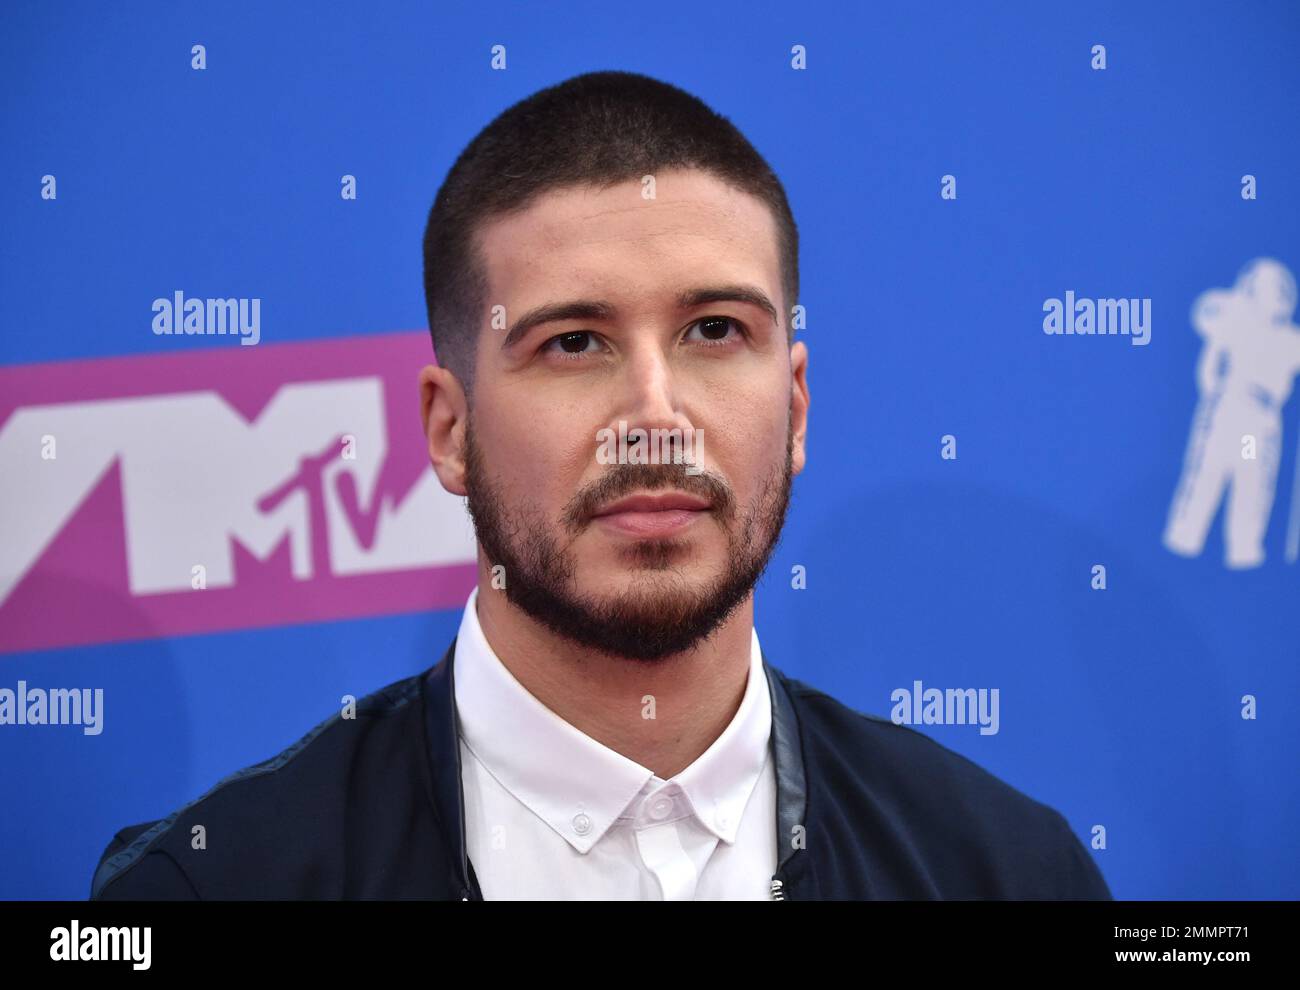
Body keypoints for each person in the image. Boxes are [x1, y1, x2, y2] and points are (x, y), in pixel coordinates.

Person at [91, 70, 1110, 901]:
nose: (655, 418)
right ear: (450, 431)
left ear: (796, 408)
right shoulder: (215, 885)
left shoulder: (1008, 874)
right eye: (574, 342)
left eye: (715, 331)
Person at [1164, 258, 1300, 568]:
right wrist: (1214, 391)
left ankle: (1243, 550)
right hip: (1228, 411)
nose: (1276, 296)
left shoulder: (1288, 339)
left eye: (1280, 291)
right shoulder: (1234, 321)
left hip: (1255, 424)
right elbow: (1206, 320)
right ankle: (1184, 540)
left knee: (1249, 476)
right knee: (1207, 472)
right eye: (1268, 289)